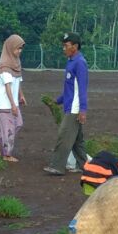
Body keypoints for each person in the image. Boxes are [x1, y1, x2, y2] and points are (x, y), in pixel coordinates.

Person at [44, 33, 88, 176]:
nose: (63, 48)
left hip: (74, 109)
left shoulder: (80, 63)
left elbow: (82, 88)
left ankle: (57, 166)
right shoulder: (70, 62)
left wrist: (82, 110)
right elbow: (69, 89)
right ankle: (85, 166)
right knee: (77, 142)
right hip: (69, 106)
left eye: (66, 45)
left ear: (74, 47)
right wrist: (56, 101)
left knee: (64, 136)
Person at [0, 34, 26, 162]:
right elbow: (7, 86)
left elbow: (18, 80)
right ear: (10, 48)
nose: (19, 51)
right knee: (9, 127)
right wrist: (13, 105)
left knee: (18, 123)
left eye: (21, 48)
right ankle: (7, 154)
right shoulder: (5, 65)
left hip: (12, 100)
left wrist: (21, 95)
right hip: (4, 101)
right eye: (17, 48)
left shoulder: (16, 63)